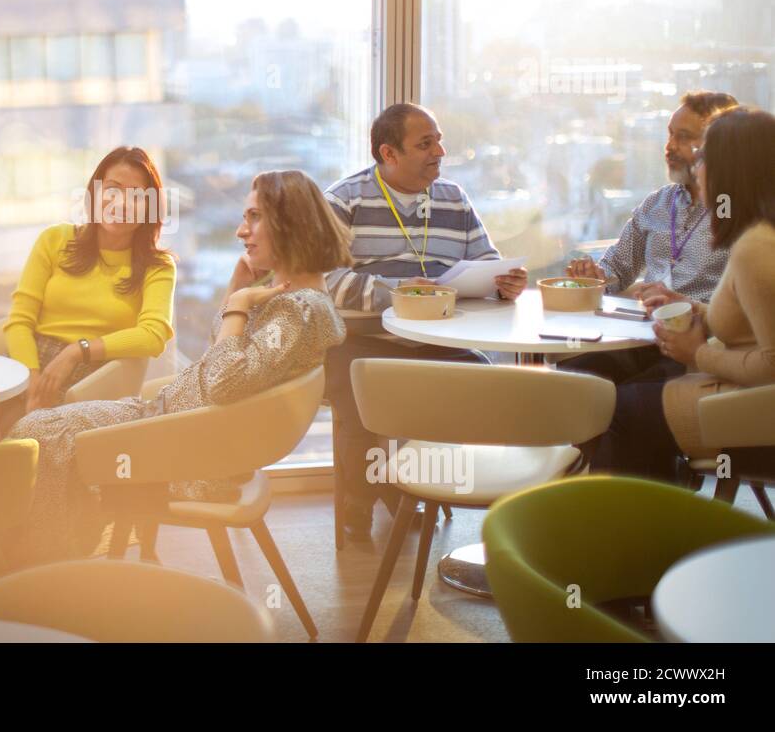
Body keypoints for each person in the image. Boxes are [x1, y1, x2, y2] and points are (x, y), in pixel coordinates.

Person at [7, 170, 348, 564]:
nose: (241, 231)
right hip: (174, 426)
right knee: (38, 433)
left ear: (293, 223)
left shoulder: (298, 311)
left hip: (187, 454)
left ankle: (45, 566)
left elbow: (221, 382)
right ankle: (57, 558)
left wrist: (237, 304)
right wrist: (235, 294)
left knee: (34, 433)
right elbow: (219, 362)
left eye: (254, 217)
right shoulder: (293, 300)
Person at [322, 103, 527, 543]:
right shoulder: (343, 200)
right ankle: (360, 504)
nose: (440, 151)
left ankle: (417, 486)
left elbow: (485, 259)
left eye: (438, 140)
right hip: (364, 338)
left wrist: (502, 281)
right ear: (388, 154)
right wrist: (395, 294)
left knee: (488, 384)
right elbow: (324, 279)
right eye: (426, 143)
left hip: (438, 338)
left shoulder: (454, 198)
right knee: (363, 398)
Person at [593, 107, 775, 480]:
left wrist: (697, 353)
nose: (696, 168)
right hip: (742, 393)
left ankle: (623, 529)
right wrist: (690, 307)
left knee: (612, 409)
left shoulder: (755, 247)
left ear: (731, 170)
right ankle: (654, 521)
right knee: (607, 388)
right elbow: (752, 324)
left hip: (749, 410)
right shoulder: (758, 234)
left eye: (704, 156)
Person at [559, 91, 737, 389]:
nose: (669, 147)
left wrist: (689, 307)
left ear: (716, 146)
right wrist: (596, 277)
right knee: (574, 375)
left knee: (619, 398)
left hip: (696, 342)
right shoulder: (657, 203)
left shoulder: (733, 208)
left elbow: (741, 306)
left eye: (683, 137)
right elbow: (616, 267)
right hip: (642, 337)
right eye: (669, 135)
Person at [4, 146, 176, 415]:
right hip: (29, 366)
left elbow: (153, 336)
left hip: (93, 377)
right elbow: (19, 321)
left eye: (136, 196)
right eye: (112, 189)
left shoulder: (158, 266)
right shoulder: (55, 239)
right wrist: (32, 383)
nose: (121, 203)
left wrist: (77, 352)